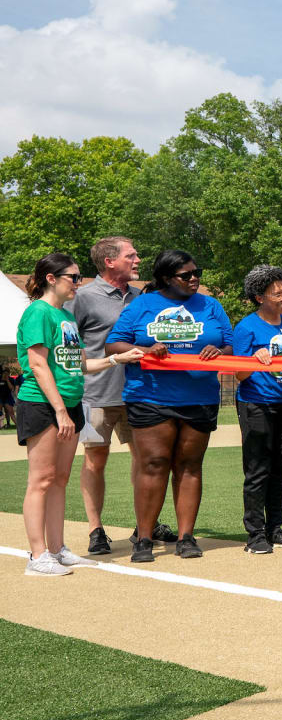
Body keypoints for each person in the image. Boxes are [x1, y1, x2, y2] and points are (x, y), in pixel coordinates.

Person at [15, 253, 144, 575]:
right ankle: (37, 556)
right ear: (51, 279)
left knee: (60, 479)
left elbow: (80, 364)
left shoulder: (65, 316)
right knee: (41, 480)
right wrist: (60, 411)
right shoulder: (38, 312)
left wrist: (117, 359)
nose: (78, 283)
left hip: (71, 403)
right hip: (43, 404)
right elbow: (38, 364)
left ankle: (57, 549)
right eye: (73, 277)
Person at [106, 249, 232, 562]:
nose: (194, 279)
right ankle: (144, 539)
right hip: (150, 396)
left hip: (199, 396)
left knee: (189, 465)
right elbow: (113, 344)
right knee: (154, 463)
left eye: (196, 273)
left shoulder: (211, 305)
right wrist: (145, 349)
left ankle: (186, 538)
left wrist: (219, 351)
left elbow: (230, 344)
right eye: (185, 275)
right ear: (166, 278)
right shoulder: (143, 305)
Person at [67, 236, 163, 555]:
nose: (138, 260)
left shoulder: (141, 298)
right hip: (95, 395)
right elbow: (68, 347)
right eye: (131, 256)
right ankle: (96, 530)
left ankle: (144, 526)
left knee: (145, 459)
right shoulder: (82, 298)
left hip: (140, 393)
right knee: (95, 460)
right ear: (109, 262)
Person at [232, 265, 282, 554]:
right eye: (277, 294)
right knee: (258, 470)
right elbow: (239, 374)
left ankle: (274, 529)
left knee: (279, 469)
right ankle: (255, 535)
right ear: (259, 297)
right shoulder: (247, 327)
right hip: (257, 404)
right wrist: (254, 358)